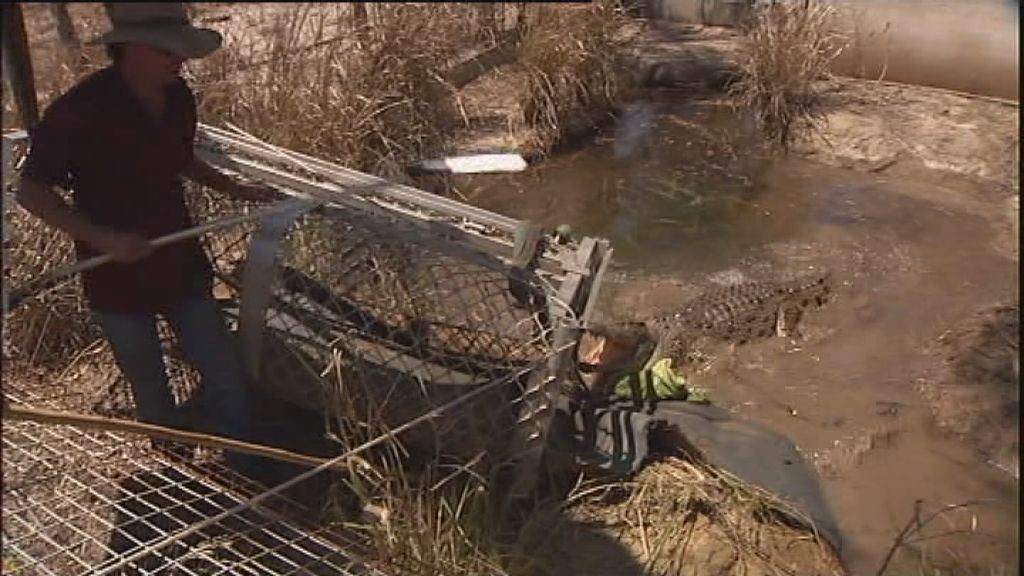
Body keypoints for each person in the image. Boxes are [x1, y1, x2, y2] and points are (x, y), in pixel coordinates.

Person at [16, 3, 275, 471]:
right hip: (115, 271)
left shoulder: (178, 97)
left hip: (178, 255)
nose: (181, 62)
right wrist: (103, 238)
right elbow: (32, 192)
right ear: (133, 49)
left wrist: (234, 187)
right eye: (169, 51)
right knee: (149, 382)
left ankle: (244, 465)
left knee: (222, 369)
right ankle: (175, 470)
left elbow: (179, 157)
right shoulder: (79, 111)